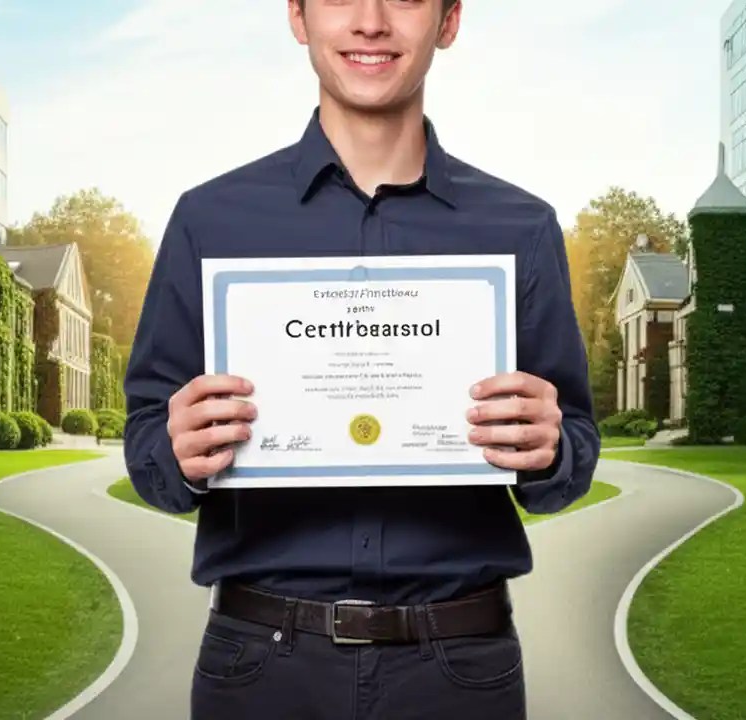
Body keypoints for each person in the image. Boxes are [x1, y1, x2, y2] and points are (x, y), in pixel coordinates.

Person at [122, 1, 600, 718]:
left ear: (448, 20)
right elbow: (148, 446)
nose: (371, 21)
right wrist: (175, 448)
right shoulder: (210, 220)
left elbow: (572, 457)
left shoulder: (520, 228)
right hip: (260, 665)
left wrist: (550, 446)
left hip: (458, 668)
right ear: (298, 15)